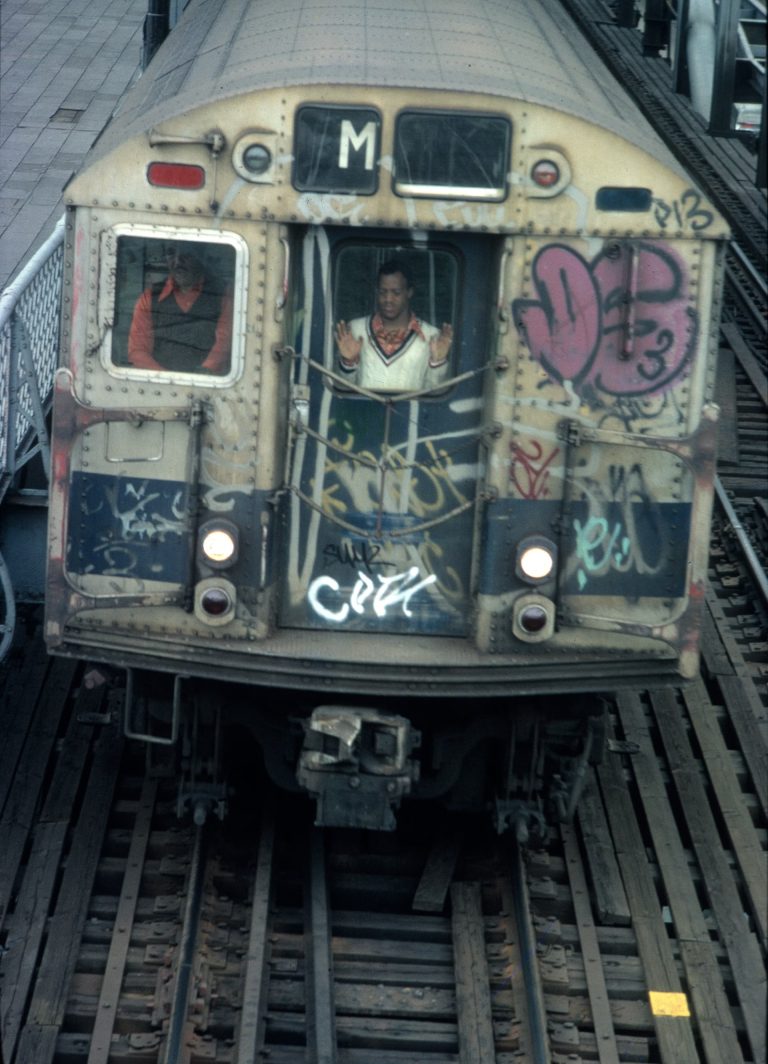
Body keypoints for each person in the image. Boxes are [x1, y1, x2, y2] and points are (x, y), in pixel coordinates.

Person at [335, 259, 453, 391]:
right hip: (363, 411)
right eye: (382, 292)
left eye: (396, 293)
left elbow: (436, 395)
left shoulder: (432, 336)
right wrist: (348, 363)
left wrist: (438, 363)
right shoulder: (356, 330)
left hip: (410, 412)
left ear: (409, 292)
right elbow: (341, 389)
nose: (388, 299)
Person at [127, 244, 232, 373]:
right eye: (171, 253)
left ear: (201, 257)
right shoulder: (149, 297)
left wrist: (203, 374)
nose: (177, 262)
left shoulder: (223, 294)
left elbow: (224, 343)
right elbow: (138, 350)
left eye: (186, 254)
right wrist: (166, 379)